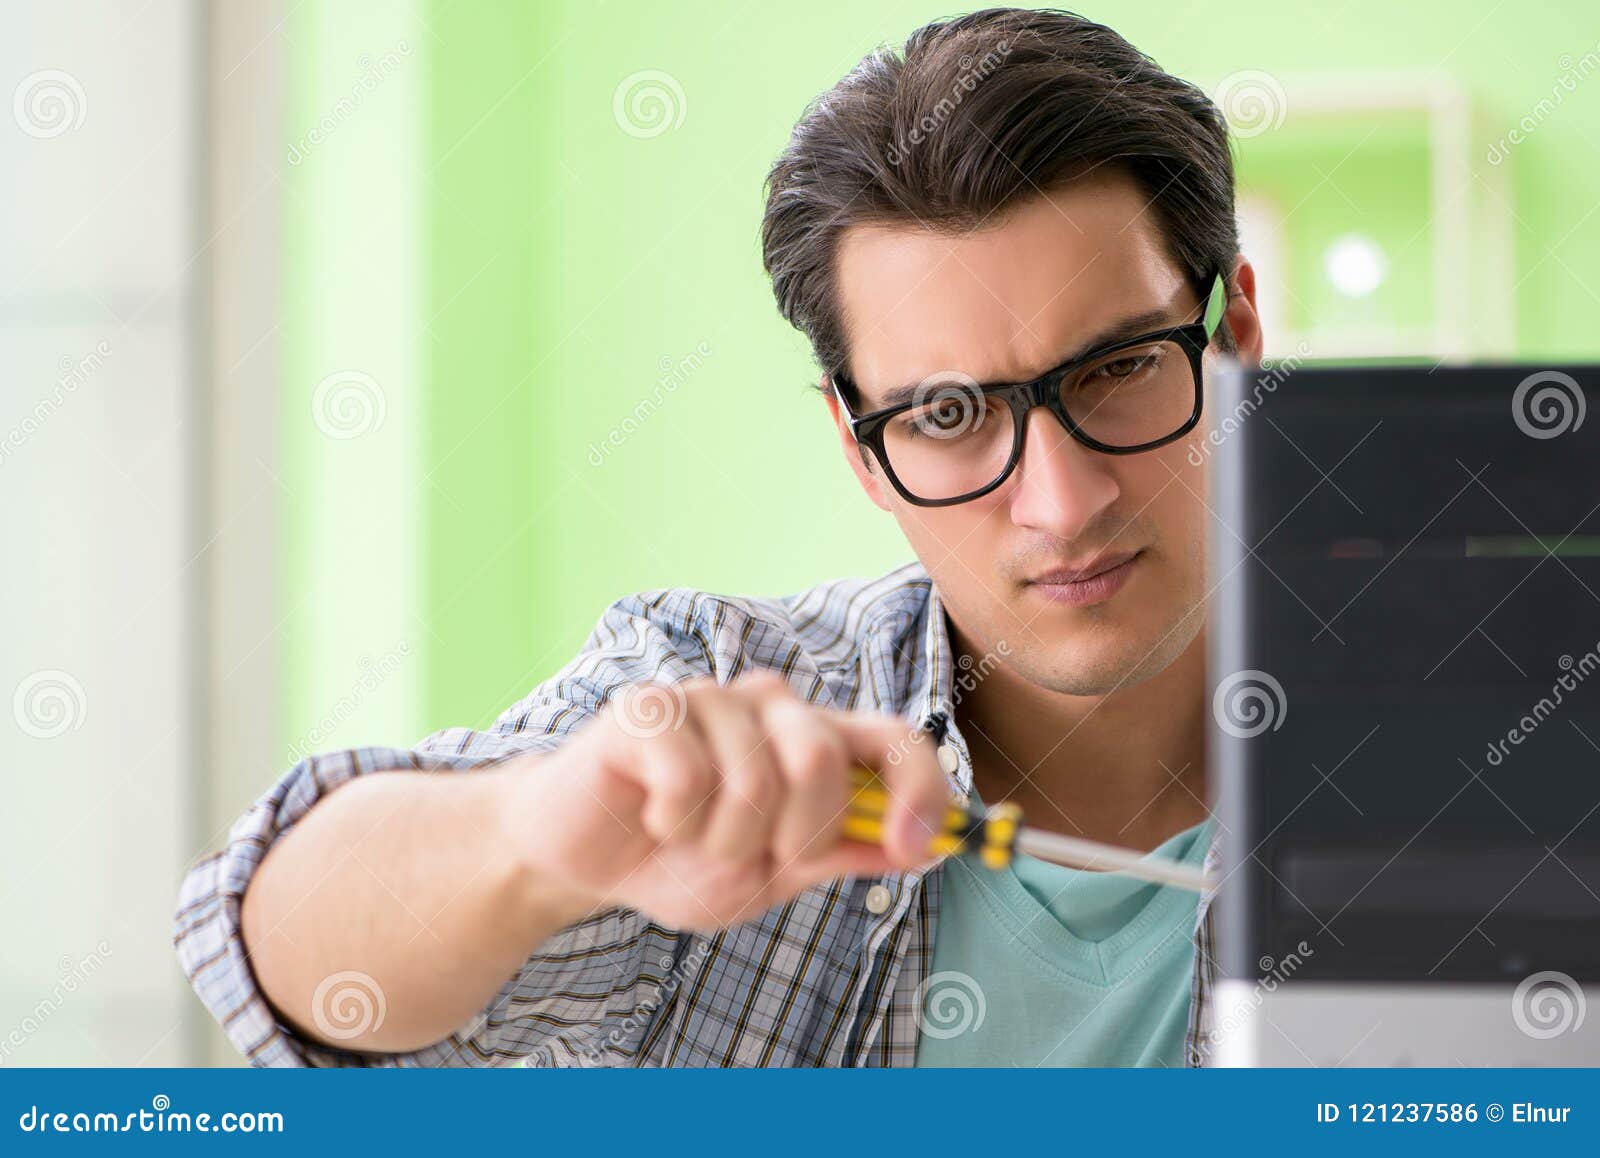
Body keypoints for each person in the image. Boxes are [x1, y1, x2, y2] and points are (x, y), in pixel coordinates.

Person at [174, 6, 1262, 1068]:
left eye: (1121, 367)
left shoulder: (1377, 741)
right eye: (946, 414)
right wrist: (532, 843)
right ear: (857, 449)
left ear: (1240, 337)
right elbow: (273, 950)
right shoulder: (719, 700)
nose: (1062, 504)